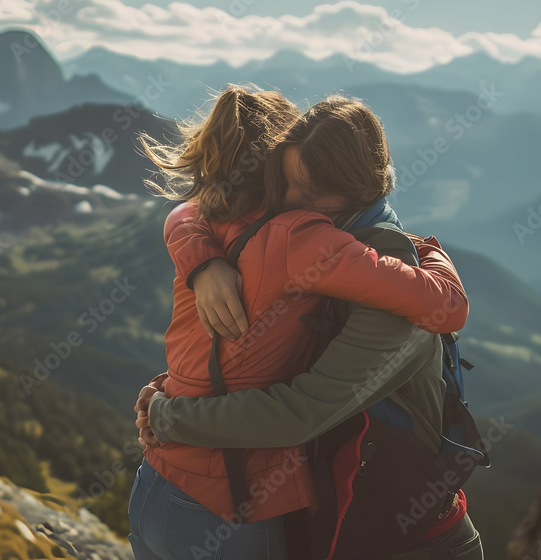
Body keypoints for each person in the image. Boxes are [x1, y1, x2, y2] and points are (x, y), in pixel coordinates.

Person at [127, 87, 472, 560]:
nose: (291, 199)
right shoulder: (304, 237)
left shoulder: (346, 259)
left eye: (308, 190)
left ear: (357, 188)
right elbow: (190, 211)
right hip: (243, 508)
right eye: (286, 182)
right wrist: (201, 261)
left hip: (408, 541)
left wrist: (167, 414)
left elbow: (301, 411)